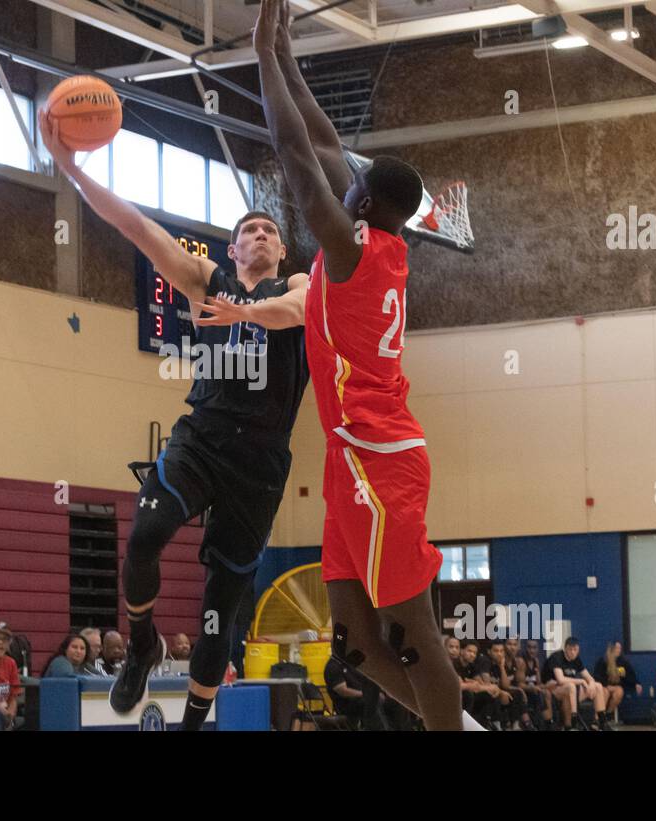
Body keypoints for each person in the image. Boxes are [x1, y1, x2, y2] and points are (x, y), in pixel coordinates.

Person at [197, 0, 461, 729]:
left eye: (353, 180)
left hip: (381, 457)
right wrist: (280, 47)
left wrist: (259, 53)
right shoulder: (379, 240)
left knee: (411, 637)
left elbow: (293, 150)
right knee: (353, 644)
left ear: (364, 200)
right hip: (355, 456)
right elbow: (320, 133)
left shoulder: (349, 252)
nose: (341, 177)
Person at [39, 97, 309, 733]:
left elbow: (296, 315)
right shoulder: (202, 280)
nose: (261, 235)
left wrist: (244, 314)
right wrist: (73, 170)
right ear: (232, 248)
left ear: (281, 251)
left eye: (270, 230)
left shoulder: (297, 288)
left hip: (260, 461)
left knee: (222, 611)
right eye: (249, 231)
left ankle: (192, 721)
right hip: (203, 440)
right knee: (142, 539)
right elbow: (136, 226)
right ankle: (140, 645)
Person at [542, 637, 610, 731]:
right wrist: (582, 681)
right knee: (571, 686)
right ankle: (574, 722)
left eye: (575, 650)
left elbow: (589, 677)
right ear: (565, 648)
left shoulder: (576, 660)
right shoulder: (556, 657)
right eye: (570, 649)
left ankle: (601, 722)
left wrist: (590, 683)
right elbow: (560, 680)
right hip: (554, 690)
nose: (573, 652)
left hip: (572, 692)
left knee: (598, 686)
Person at [485, 642, 533, 730]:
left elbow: (506, 685)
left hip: (499, 691)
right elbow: (487, 685)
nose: (499, 654)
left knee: (516, 693)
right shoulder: (486, 662)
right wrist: (501, 691)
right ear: (489, 652)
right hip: (488, 692)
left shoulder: (501, 664)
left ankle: (517, 725)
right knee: (499, 695)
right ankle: (498, 725)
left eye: (501, 651)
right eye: (496, 651)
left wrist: (502, 667)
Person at [592, 641, 640, 722]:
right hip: (604, 685)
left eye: (620, 648)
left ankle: (608, 714)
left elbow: (630, 674)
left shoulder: (623, 662)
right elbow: (596, 676)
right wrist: (606, 685)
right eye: (617, 648)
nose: (619, 650)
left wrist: (636, 683)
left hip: (616, 686)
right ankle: (598, 717)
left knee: (619, 692)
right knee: (605, 693)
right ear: (611, 649)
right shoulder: (603, 660)